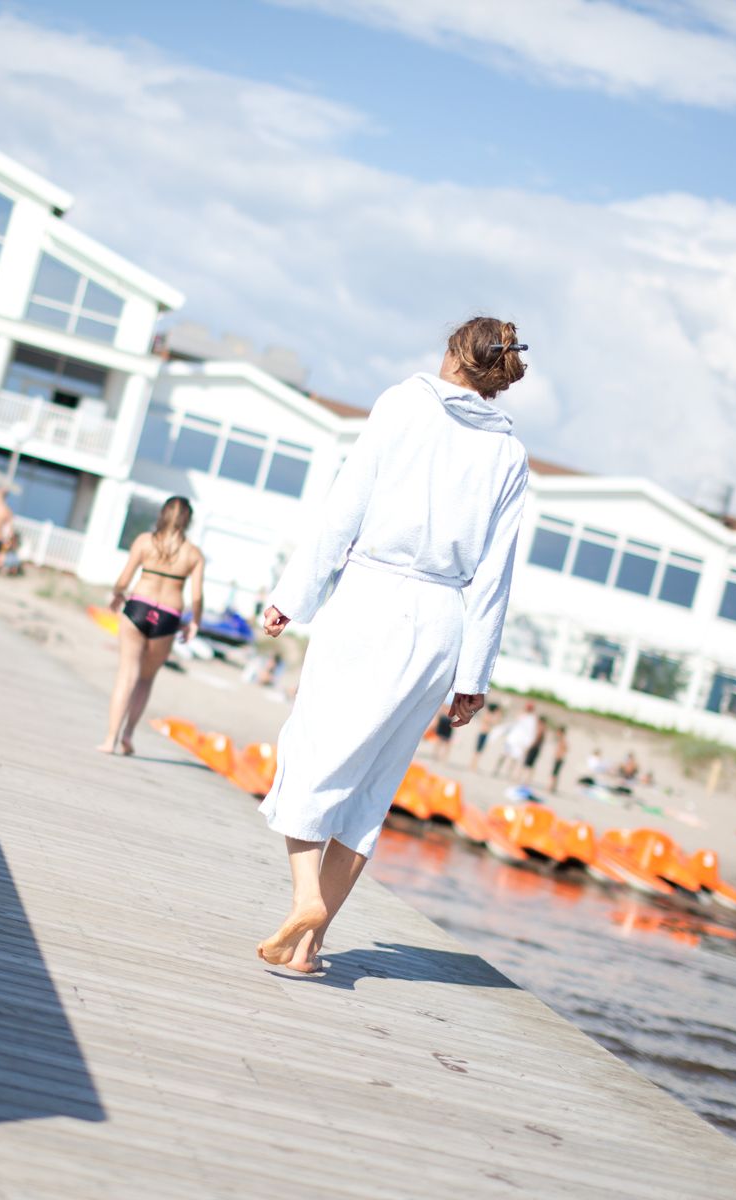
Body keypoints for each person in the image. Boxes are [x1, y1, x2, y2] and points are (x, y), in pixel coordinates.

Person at [254, 318, 529, 973]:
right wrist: (475, 678)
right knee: (373, 786)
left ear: (454, 355)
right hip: (442, 618)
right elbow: (496, 575)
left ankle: (304, 901)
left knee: (313, 753)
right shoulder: (509, 454)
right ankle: (309, 949)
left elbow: (343, 508)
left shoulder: (402, 402)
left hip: (370, 598)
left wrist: (293, 596)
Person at [97, 496, 203, 755]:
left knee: (127, 674)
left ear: (162, 514)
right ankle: (129, 735)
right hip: (168, 614)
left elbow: (124, 579)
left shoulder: (145, 542)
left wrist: (117, 594)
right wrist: (195, 623)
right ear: (188, 521)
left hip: (139, 608)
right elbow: (198, 595)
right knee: (145, 679)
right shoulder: (193, 553)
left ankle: (110, 739)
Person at [497, 703, 539, 778]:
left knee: (514, 758)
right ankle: (497, 769)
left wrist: (527, 743)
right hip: (512, 739)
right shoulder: (523, 715)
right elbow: (515, 721)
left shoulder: (531, 719)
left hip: (519, 742)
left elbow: (531, 732)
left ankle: (508, 773)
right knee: (504, 754)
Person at [468, 704, 502, 771]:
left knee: (480, 751)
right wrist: (496, 715)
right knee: (478, 751)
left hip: (486, 734)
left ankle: (474, 765)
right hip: (482, 733)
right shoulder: (487, 714)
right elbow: (489, 722)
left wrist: (498, 715)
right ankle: (473, 765)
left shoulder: (490, 715)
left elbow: (496, 723)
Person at [547, 724, 569, 791]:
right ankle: (552, 787)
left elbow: (565, 749)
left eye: (558, 732)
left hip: (559, 759)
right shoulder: (561, 739)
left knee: (554, 774)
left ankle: (551, 787)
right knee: (555, 774)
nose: (557, 733)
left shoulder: (562, 740)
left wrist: (559, 755)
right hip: (559, 758)